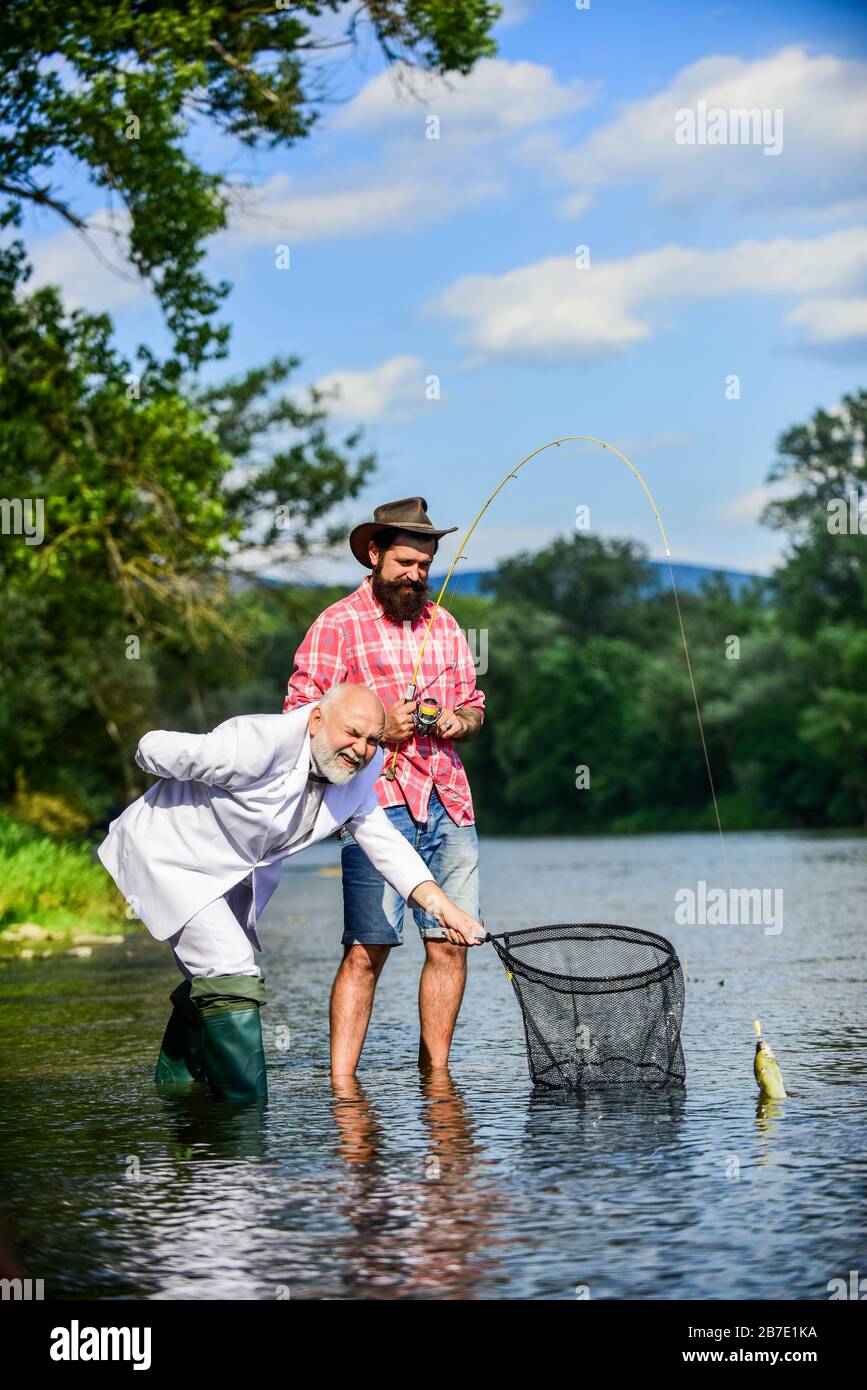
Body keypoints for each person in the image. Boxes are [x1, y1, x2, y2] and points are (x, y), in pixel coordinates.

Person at [97, 684, 484, 1102]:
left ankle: (180, 1092)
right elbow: (152, 747)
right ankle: (243, 1116)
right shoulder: (252, 744)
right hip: (169, 859)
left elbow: (387, 848)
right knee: (231, 969)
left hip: (227, 876)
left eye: (373, 740)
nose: (360, 749)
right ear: (316, 720)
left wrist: (446, 910)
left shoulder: (357, 775)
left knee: (209, 978)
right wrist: (162, 762)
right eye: (352, 733)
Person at [285, 496, 486, 1076]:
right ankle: (343, 1085)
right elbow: (301, 714)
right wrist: (380, 729)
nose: (415, 576)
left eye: (424, 565)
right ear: (373, 555)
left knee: (450, 943)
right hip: (374, 807)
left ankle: (437, 1077)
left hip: (449, 802)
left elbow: (474, 708)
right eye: (404, 563)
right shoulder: (336, 624)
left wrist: (457, 722)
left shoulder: (445, 626)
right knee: (366, 950)